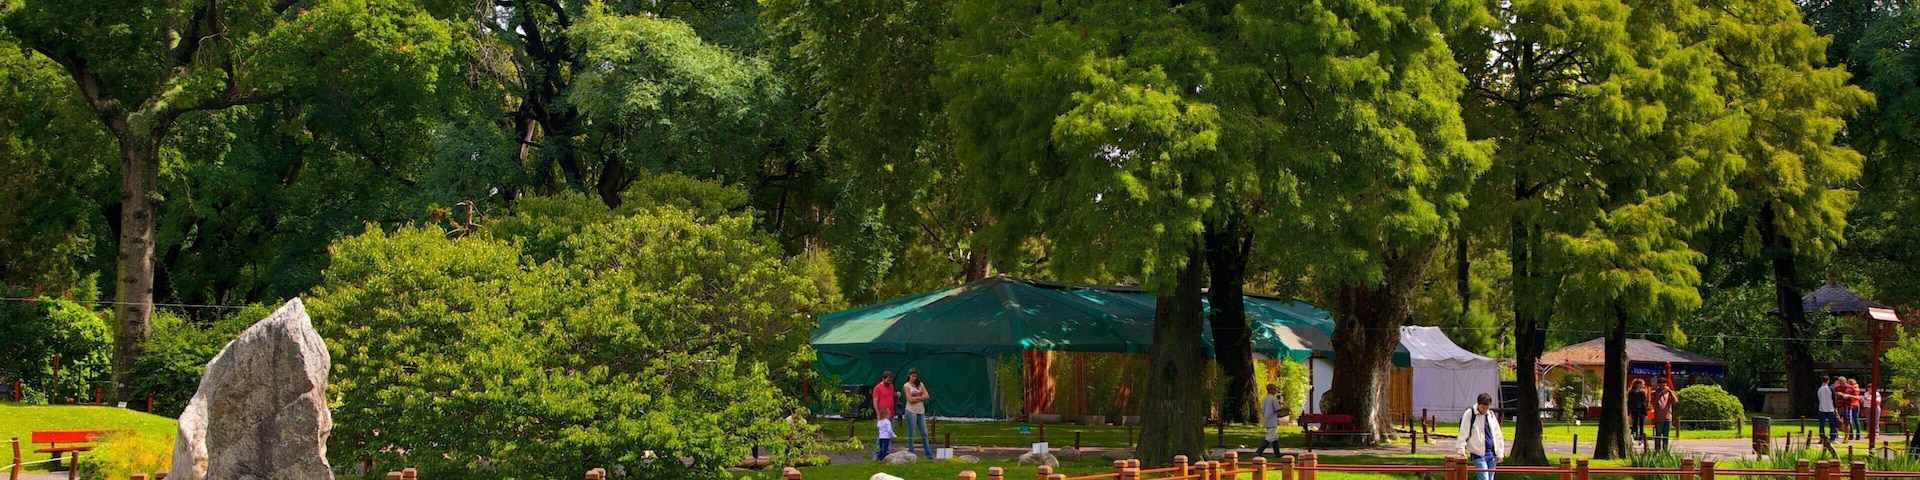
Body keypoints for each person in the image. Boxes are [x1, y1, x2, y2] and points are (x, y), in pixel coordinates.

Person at [1457, 393, 1504, 480]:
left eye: (1487, 408)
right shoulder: (1470, 413)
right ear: (1478, 404)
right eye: (1483, 407)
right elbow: (1463, 432)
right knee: (1484, 478)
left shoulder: (1491, 414)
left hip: (1492, 453)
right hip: (1478, 453)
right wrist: (1460, 450)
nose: (1485, 410)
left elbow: (1498, 434)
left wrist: (1500, 453)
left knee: (1490, 478)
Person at [902, 368, 934, 456]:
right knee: (912, 432)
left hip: (920, 410)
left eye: (916, 376)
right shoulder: (906, 386)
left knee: (924, 433)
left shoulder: (920, 384)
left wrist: (917, 398)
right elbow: (910, 400)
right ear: (909, 376)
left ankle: (929, 453)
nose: (914, 378)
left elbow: (927, 396)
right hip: (911, 410)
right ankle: (911, 452)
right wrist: (920, 398)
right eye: (913, 376)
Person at [1255, 383, 1286, 456]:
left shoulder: (1265, 399)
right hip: (1271, 420)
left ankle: (1277, 453)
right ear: (1270, 390)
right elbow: (1277, 409)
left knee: (1275, 437)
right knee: (1270, 437)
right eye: (1274, 389)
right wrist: (1285, 409)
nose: (1275, 391)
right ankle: (1259, 451)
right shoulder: (1273, 399)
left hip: (1267, 419)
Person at [1650, 378, 1676, 451]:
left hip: (1668, 417)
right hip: (1659, 418)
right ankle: (1657, 450)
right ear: (1658, 385)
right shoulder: (1654, 393)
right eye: (1661, 384)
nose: (1663, 386)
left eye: (1664, 384)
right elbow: (1654, 402)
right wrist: (1660, 394)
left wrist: (1671, 392)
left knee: (1666, 436)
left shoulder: (1669, 393)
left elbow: (1674, 402)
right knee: (1658, 435)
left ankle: (1665, 450)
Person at [1627, 379, 1649, 443]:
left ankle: (1633, 436)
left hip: (1633, 409)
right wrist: (1645, 412)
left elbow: (1629, 402)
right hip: (1641, 409)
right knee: (1641, 424)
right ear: (1639, 384)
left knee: (1634, 423)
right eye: (1643, 384)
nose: (1643, 385)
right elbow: (1644, 403)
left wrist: (1628, 411)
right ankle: (1641, 438)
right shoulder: (1642, 392)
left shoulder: (1631, 392)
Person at [1817, 376, 1838, 442]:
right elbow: (1834, 399)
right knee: (1832, 423)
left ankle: (1822, 437)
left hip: (1821, 408)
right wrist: (1835, 407)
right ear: (1828, 381)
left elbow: (1817, 399)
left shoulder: (1819, 389)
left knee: (1821, 424)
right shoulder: (1830, 389)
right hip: (1830, 408)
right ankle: (1833, 437)